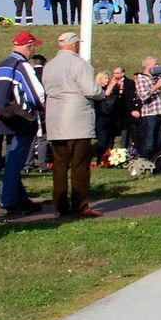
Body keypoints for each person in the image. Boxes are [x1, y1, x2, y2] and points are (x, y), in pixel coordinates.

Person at [41, 30, 103, 218]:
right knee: (80, 164)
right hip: (77, 118)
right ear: (74, 44)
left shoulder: (49, 65)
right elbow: (91, 90)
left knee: (59, 165)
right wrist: (102, 92)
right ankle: (80, 204)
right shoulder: (79, 64)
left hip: (55, 118)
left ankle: (60, 205)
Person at [0, 30, 45, 217]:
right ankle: (10, 200)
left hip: (4, 118)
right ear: (29, 46)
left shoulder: (2, 66)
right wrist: (41, 109)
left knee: (13, 158)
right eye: (33, 46)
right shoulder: (22, 66)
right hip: (21, 119)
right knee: (15, 161)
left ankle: (20, 198)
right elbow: (37, 95)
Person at [132, 57, 161, 166]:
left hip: (159, 113)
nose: (157, 67)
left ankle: (159, 165)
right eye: (155, 64)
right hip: (149, 115)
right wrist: (157, 86)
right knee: (149, 142)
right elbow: (143, 96)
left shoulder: (154, 77)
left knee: (160, 142)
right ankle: (145, 164)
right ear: (147, 65)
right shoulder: (141, 78)